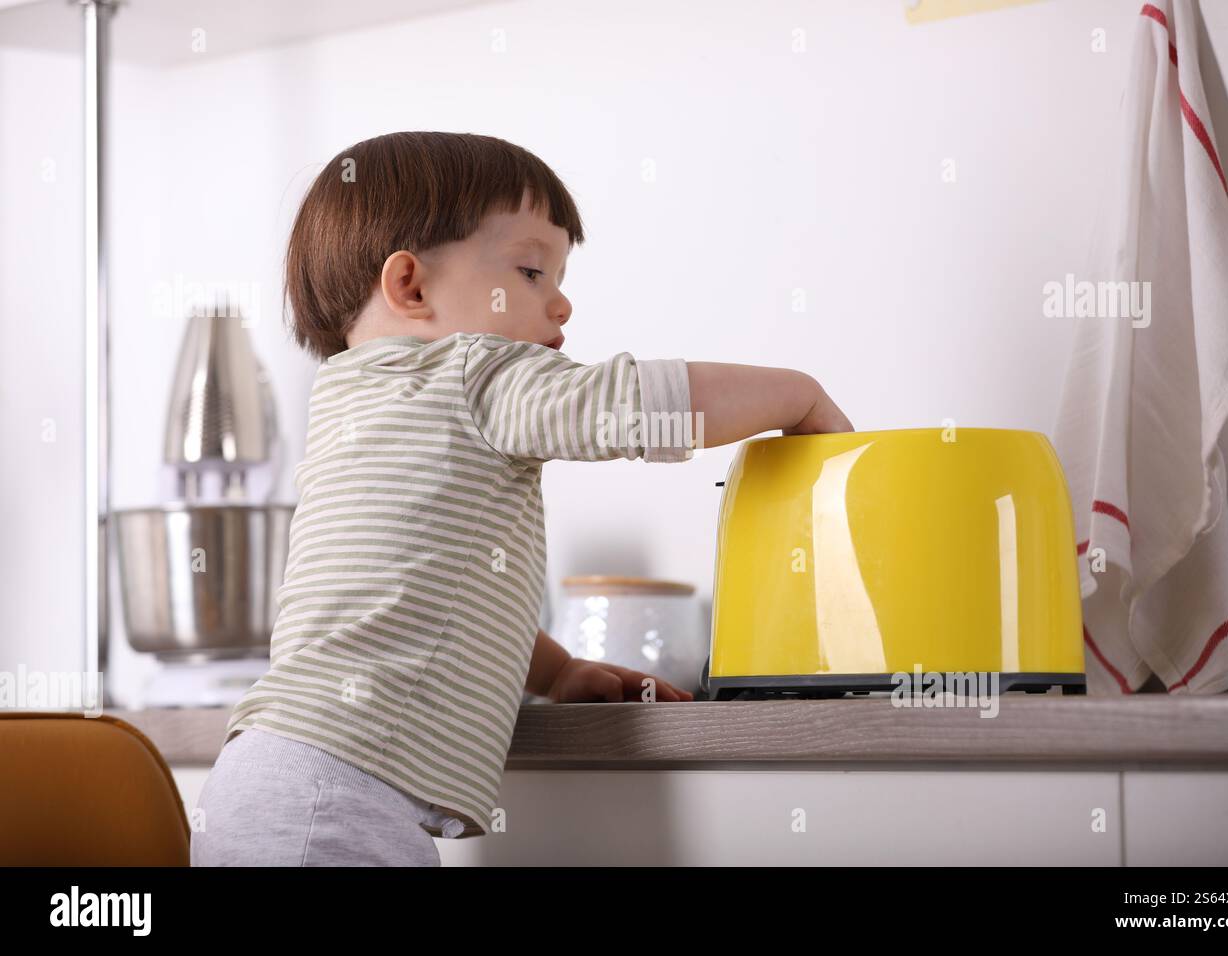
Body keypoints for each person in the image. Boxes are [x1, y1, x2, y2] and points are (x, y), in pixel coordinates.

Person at [190, 131, 853, 866]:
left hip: (279, 776)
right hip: (335, 794)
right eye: (532, 270)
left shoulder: (349, 401)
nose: (562, 303)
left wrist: (558, 670)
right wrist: (797, 394)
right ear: (410, 287)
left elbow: (428, 590)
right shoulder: (469, 369)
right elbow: (627, 404)